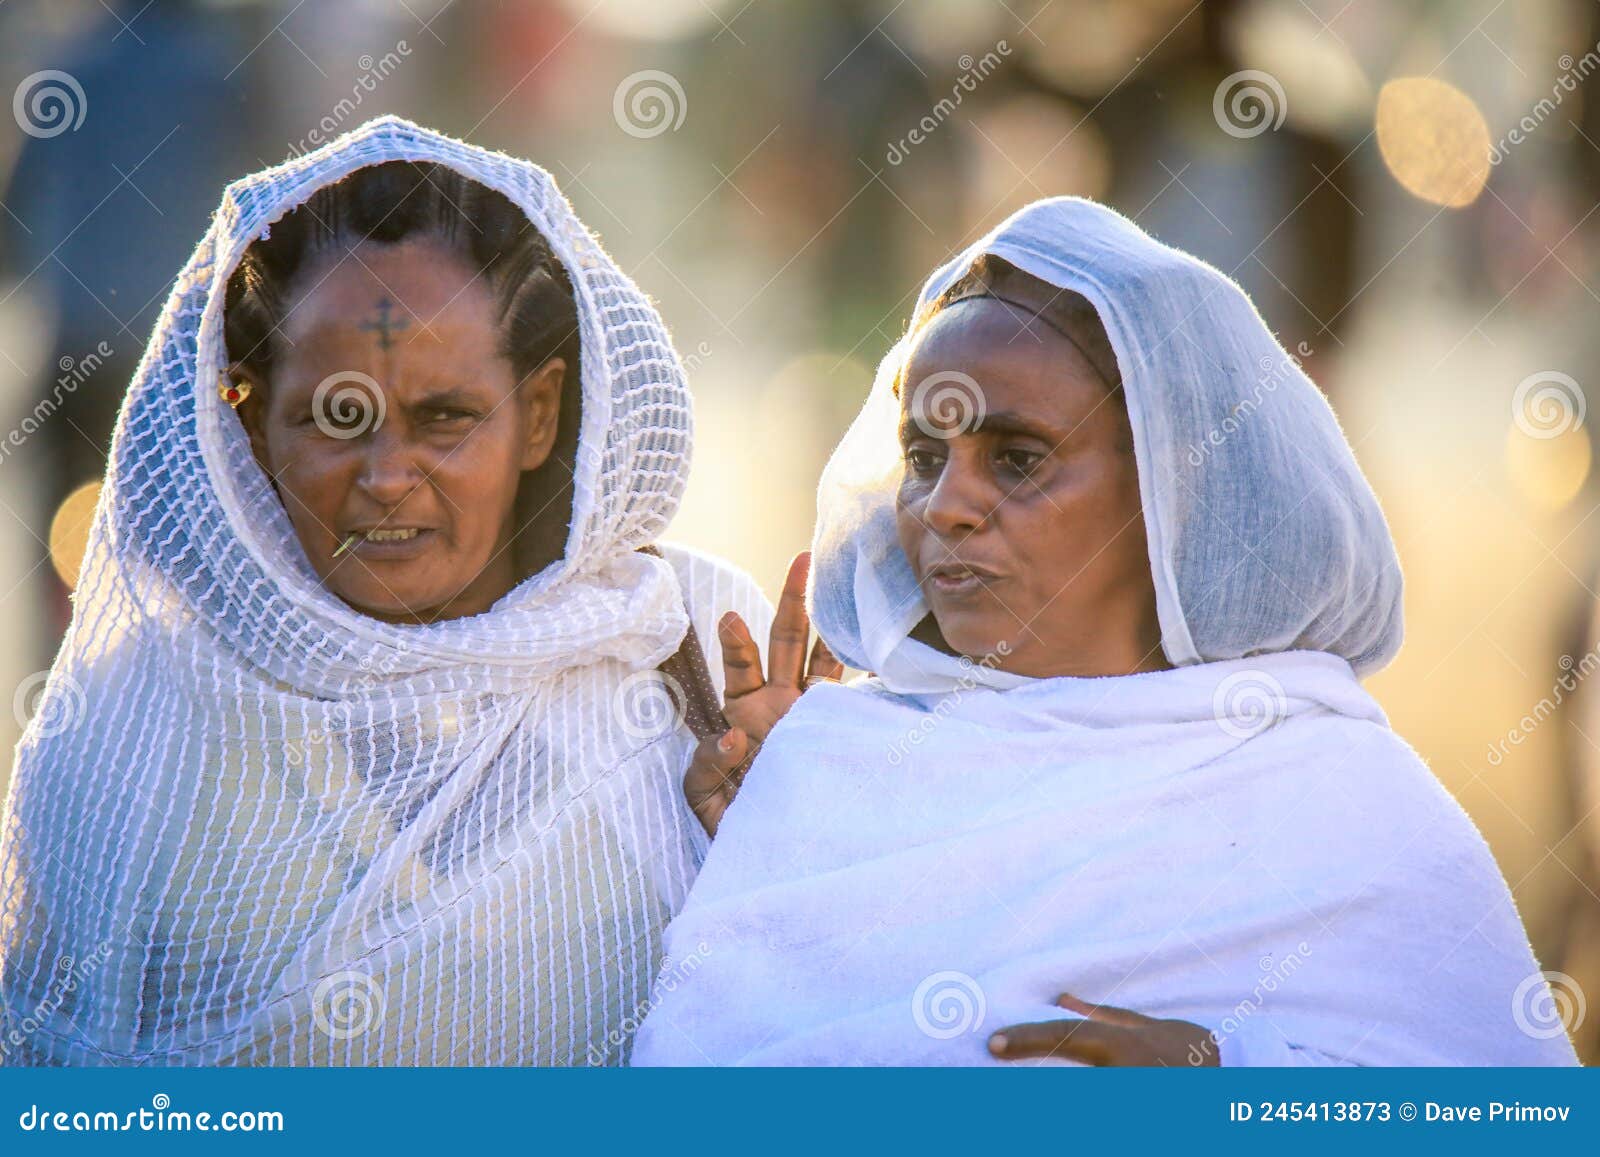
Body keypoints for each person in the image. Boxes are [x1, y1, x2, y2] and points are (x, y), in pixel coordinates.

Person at [633, 197, 1583, 1067]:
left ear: (1174, 493)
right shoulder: (833, 759)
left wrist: (1232, 1088)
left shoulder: (1348, 807)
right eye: (924, 456)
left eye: (1017, 458)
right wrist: (758, 829)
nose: (946, 504)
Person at [0, 117, 773, 1066]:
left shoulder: (694, 666)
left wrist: (796, 823)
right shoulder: (132, 738)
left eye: (444, 418)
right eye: (336, 418)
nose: (388, 476)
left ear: (537, 414)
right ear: (251, 420)